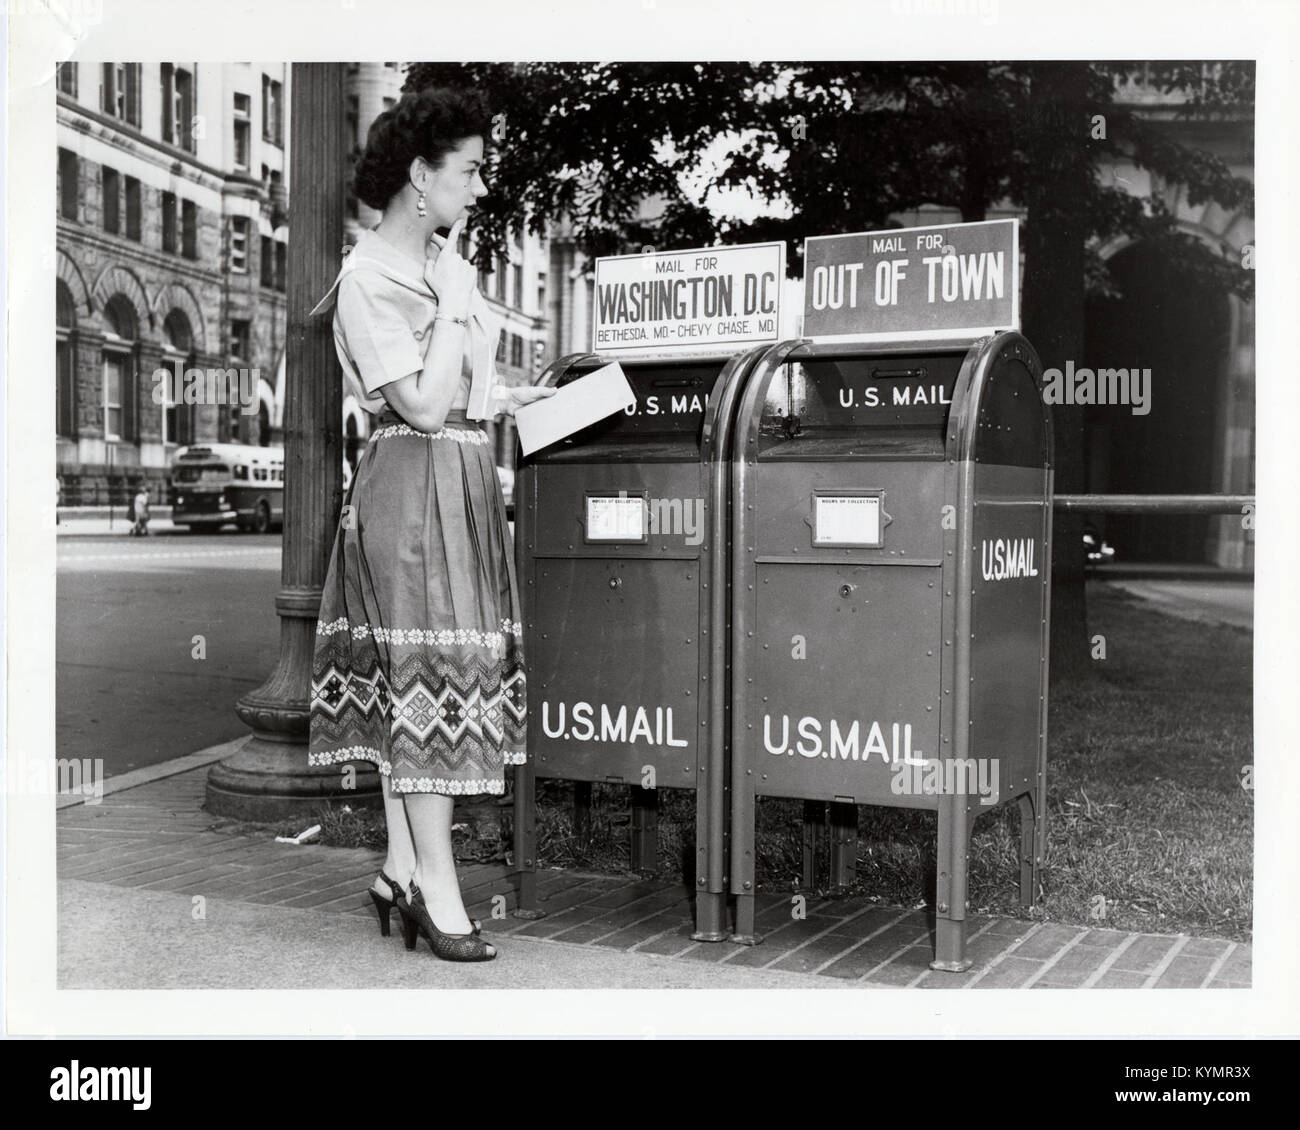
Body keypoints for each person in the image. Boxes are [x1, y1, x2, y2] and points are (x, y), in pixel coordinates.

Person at [307, 87, 553, 963]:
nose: (482, 185)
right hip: (411, 489)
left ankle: (400, 867)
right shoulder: (371, 277)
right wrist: (452, 301)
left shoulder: (437, 268)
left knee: (421, 676)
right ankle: (434, 891)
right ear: (421, 176)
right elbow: (416, 403)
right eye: (472, 168)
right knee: (428, 680)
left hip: (457, 477)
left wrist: (520, 398)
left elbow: (458, 396)